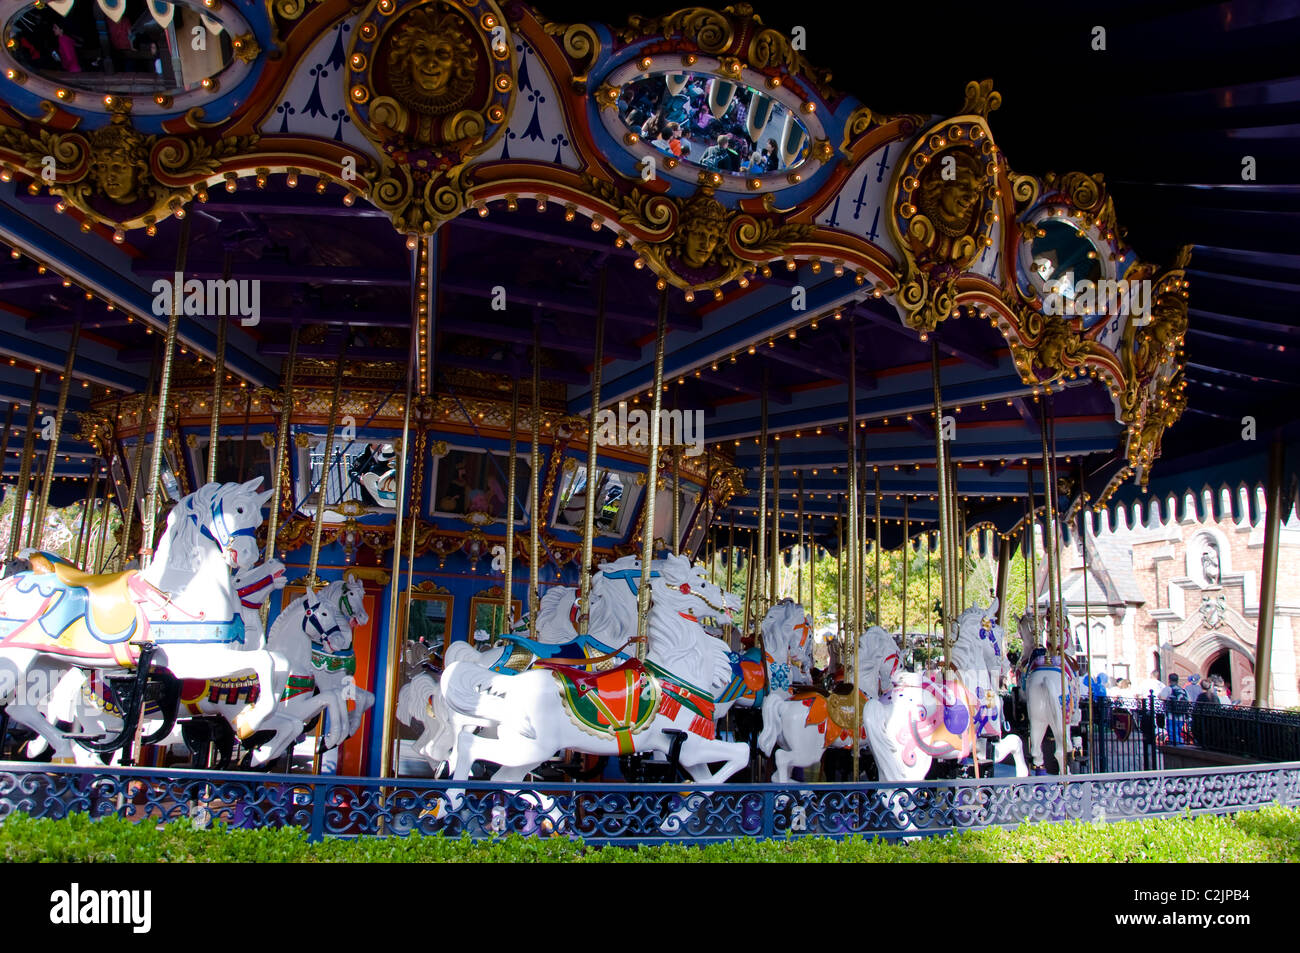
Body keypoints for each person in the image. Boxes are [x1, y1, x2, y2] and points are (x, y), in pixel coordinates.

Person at [1159, 674, 1188, 745]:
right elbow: (1189, 701)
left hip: (1171, 715)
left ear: (1169, 680)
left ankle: (1178, 748)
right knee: (1178, 732)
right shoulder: (1183, 690)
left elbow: (1162, 697)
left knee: (1172, 733)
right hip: (1181, 716)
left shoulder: (1168, 689)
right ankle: (1180, 745)